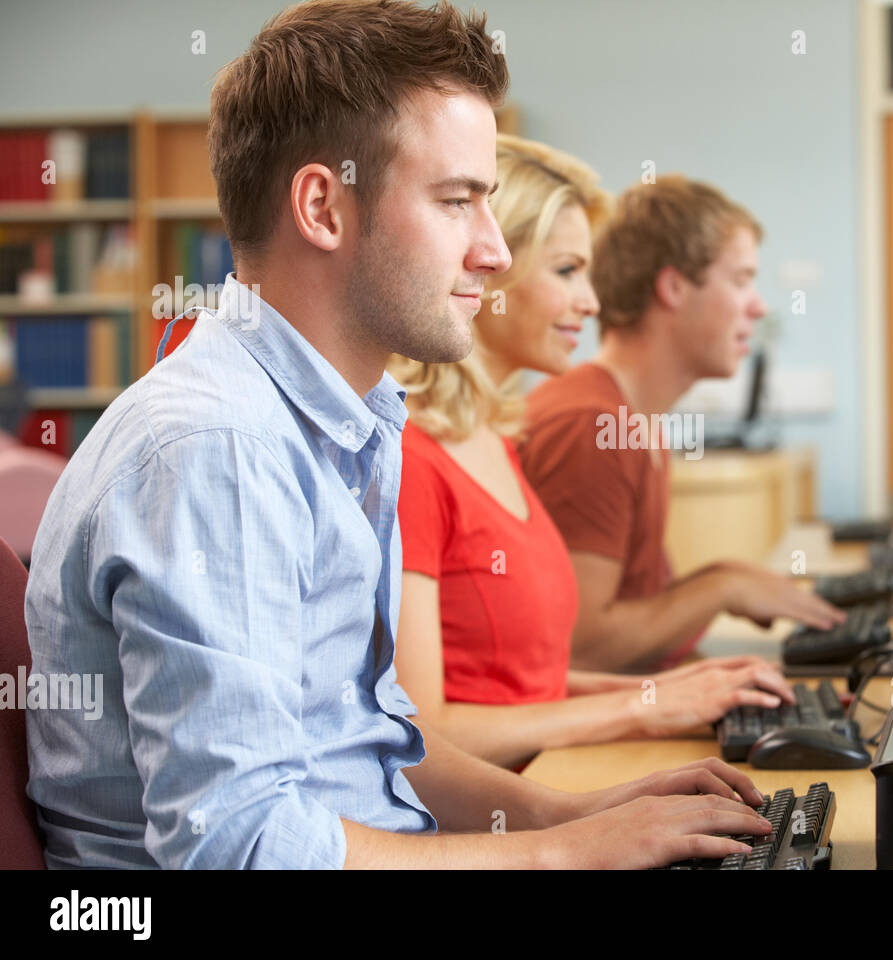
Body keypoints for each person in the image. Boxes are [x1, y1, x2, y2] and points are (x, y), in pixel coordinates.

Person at [22, 0, 770, 870]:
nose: (493, 252)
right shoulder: (215, 450)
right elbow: (242, 846)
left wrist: (569, 812)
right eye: (458, 201)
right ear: (323, 208)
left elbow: (368, 737)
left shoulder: (349, 422)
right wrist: (562, 855)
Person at [390, 135, 794, 769]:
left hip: (549, 787)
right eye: (566, 271)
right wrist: (639, 706)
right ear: (490, 262)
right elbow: (420, 735)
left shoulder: (495, 439)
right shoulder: (411, 456)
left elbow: (528, 683)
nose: (592, 302)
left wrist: (674, 693)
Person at [518, 176, 845, 672]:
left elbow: (637, 618)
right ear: (673, 288)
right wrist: (722, 585)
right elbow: (582, 649)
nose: (758, 306)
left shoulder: (632, 420)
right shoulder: (592, 427)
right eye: (740, 280)